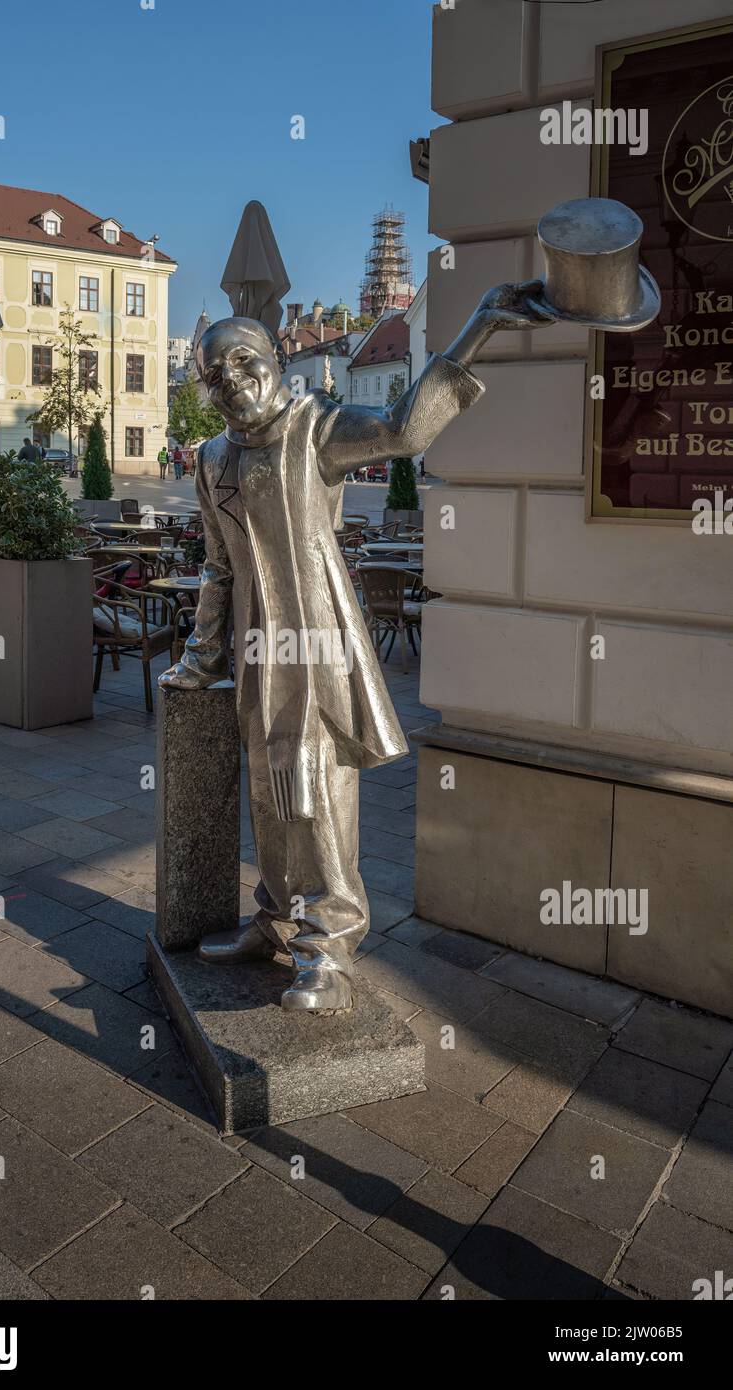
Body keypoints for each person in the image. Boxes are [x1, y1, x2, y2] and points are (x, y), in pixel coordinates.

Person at [160, 282, 554, 1013]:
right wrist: (201, 655)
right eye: (215, 376)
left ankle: (329, 949)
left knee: (315, 786)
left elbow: (406, 431)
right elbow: (218, 566)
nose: (233, 384)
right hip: (255, 647)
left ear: (278, 360)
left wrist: (477, 328)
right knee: (269, 788)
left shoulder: (317, 426)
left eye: (246, 363)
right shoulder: (211, 456)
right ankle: (276, 918)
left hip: (316, 639)